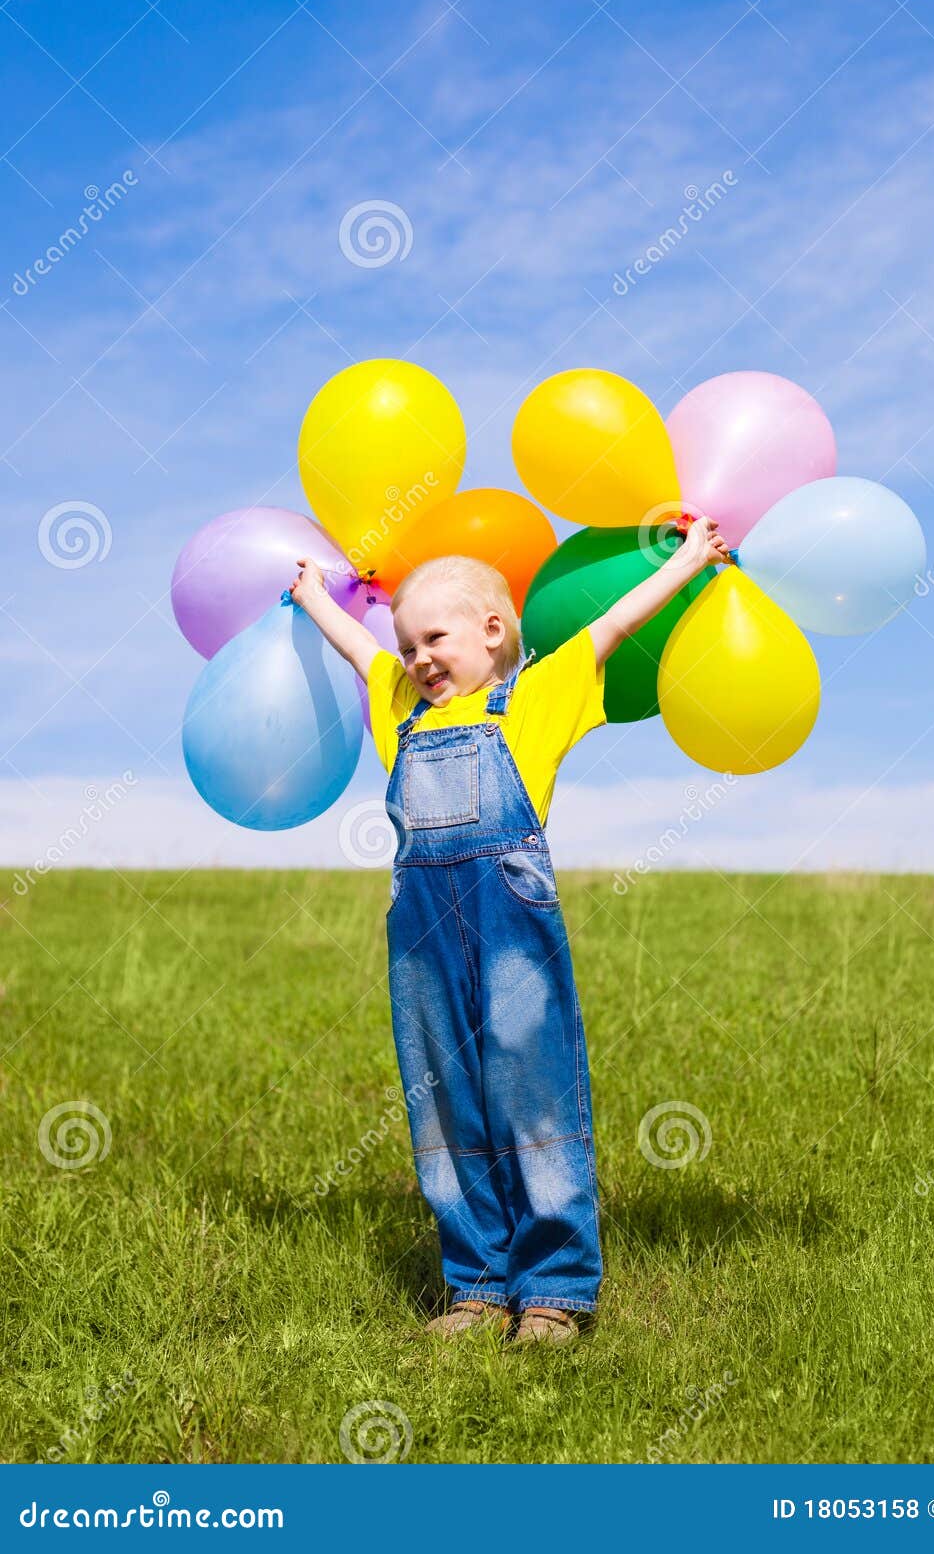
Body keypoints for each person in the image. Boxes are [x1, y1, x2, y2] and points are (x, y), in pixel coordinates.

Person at [289, 514, 729, 1344]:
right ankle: (478, 1286)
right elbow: (357, 647)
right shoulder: (400, 709)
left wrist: (695, 560)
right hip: (422, 939)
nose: (418, 659)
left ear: (493, 632)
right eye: (409, 645)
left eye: (434, 639)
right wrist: (314, 594)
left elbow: (616, 622)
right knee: (445, 1106)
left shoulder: (536, 696)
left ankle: (557, 1287)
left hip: (512, 927)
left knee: (533, 1094)